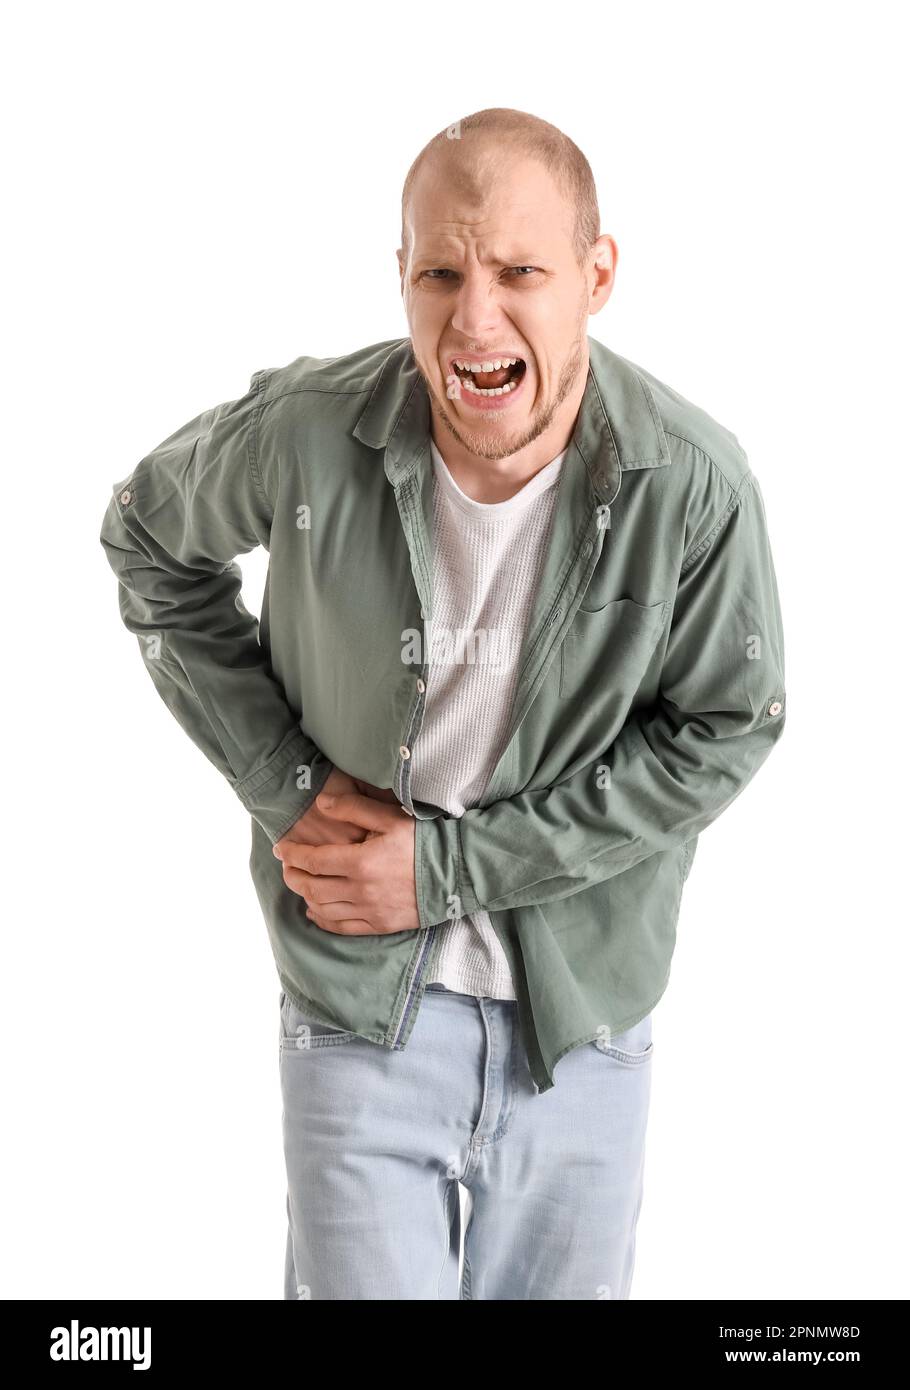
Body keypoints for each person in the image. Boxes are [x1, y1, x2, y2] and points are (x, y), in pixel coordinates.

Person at [99, 107, 787, 1300]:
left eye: (519, 272)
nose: (473, 318)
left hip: (582, 1029)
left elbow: (729, 722)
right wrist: (286, 785)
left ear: (596, 276)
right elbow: (147, 540)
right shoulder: (306, 430)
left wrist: (447, 870)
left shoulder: (693, 482)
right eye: (440, 275)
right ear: (401, 275)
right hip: (357, 1007)